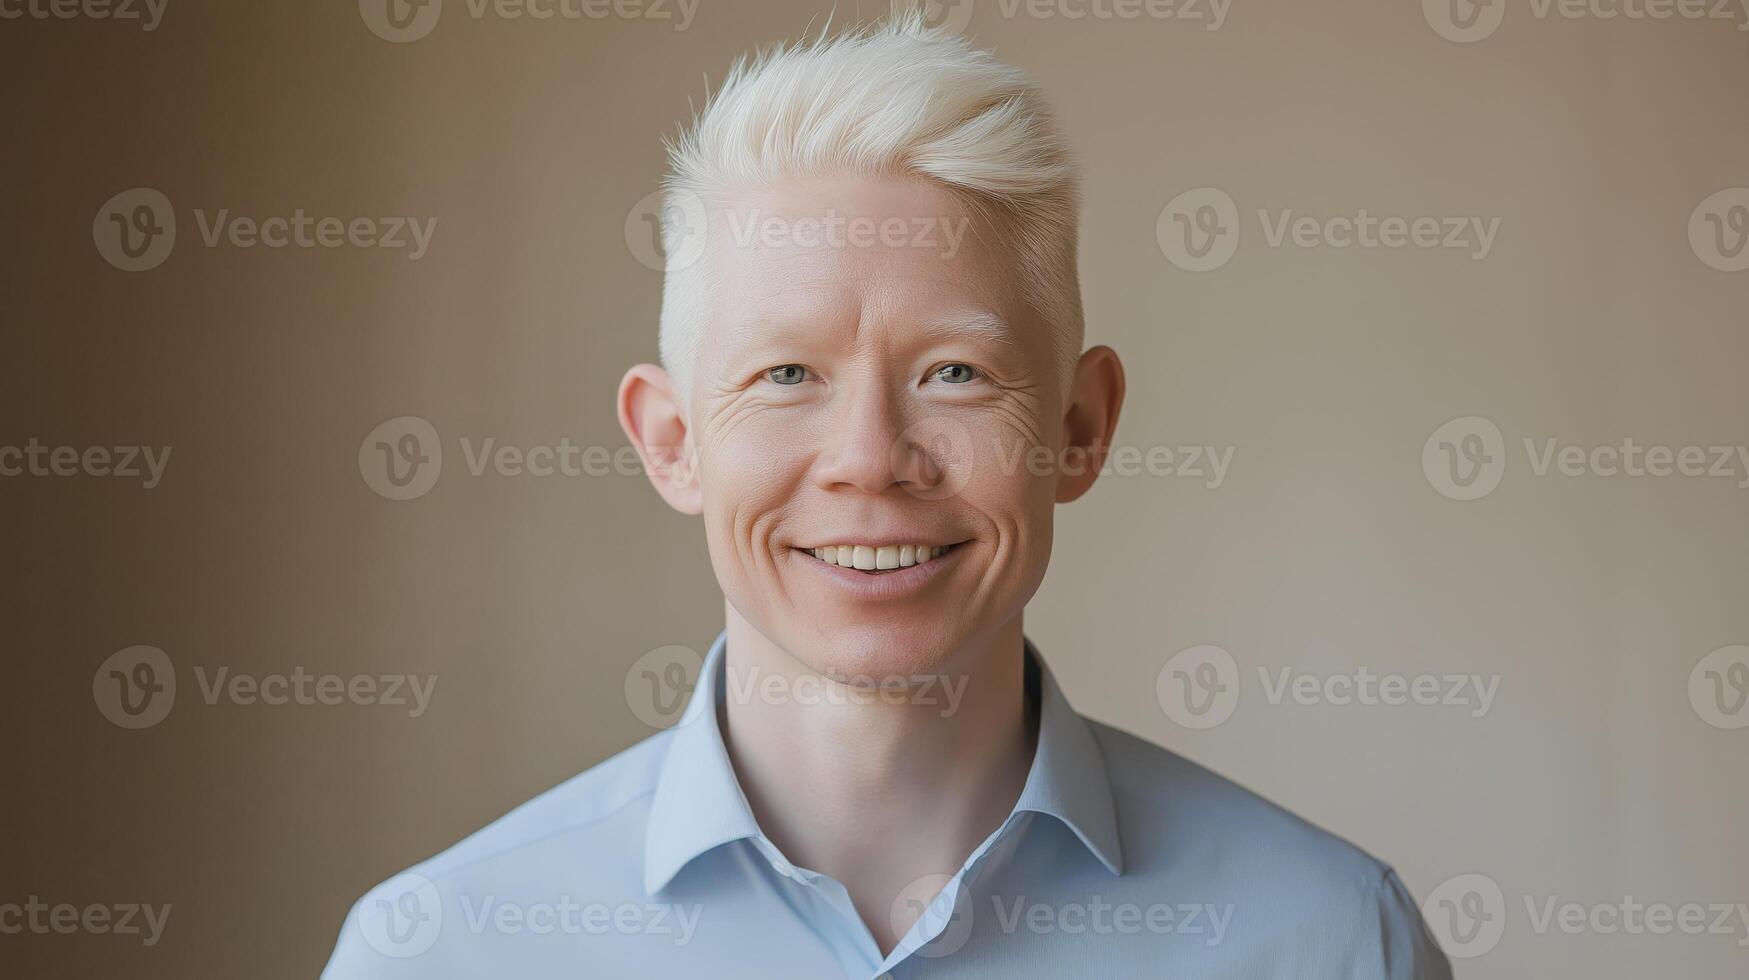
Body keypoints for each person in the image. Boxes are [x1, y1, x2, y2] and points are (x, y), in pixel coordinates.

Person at [321, 11, 1453, 978]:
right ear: (673, 442)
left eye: (953, 371)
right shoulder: (441, 951)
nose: (871, 456)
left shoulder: (1334, 941)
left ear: (1078, 426)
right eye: (786, 375)